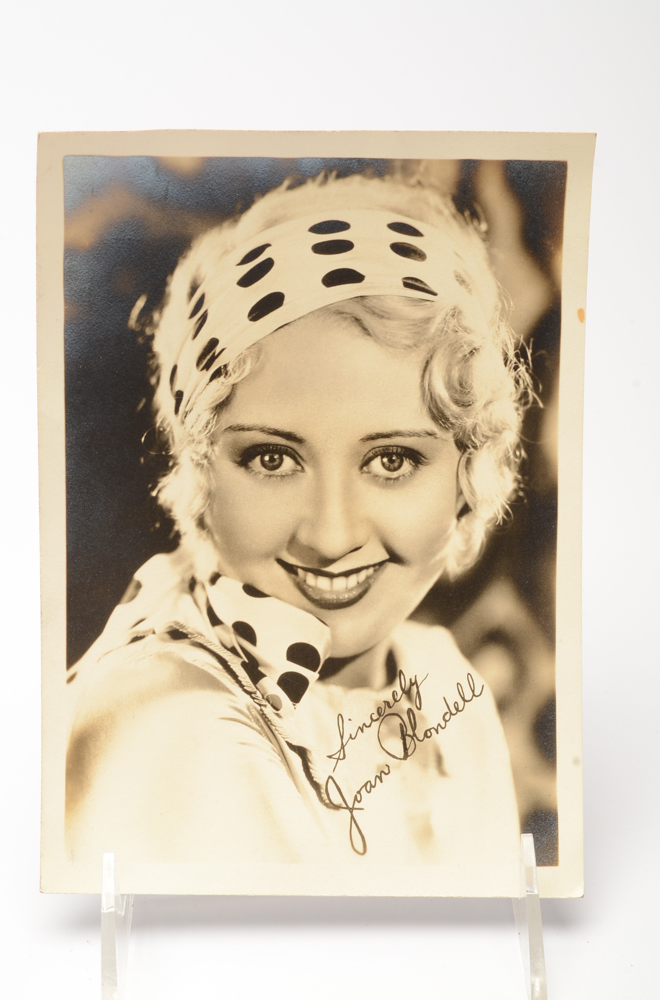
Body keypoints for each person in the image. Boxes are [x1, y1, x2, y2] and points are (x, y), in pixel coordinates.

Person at [65, 168, 529, 867]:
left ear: (469, 474)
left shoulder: (438, 677)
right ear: (200, 468)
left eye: (393, 461)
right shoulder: (176, 724)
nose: (331, 536)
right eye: (274, 459)